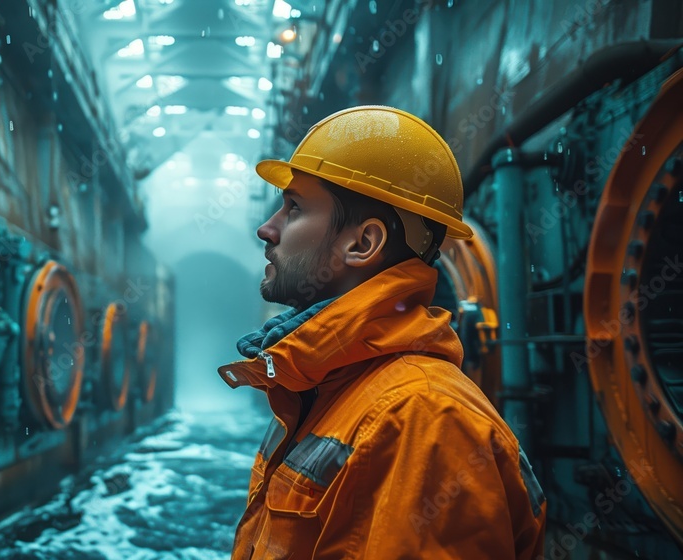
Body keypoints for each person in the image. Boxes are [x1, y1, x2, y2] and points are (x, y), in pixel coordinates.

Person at [217, 106, 546, 559]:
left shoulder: (424, 422)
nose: (267, 228)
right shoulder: (322, 387)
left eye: (294, 208)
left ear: (362, 244)